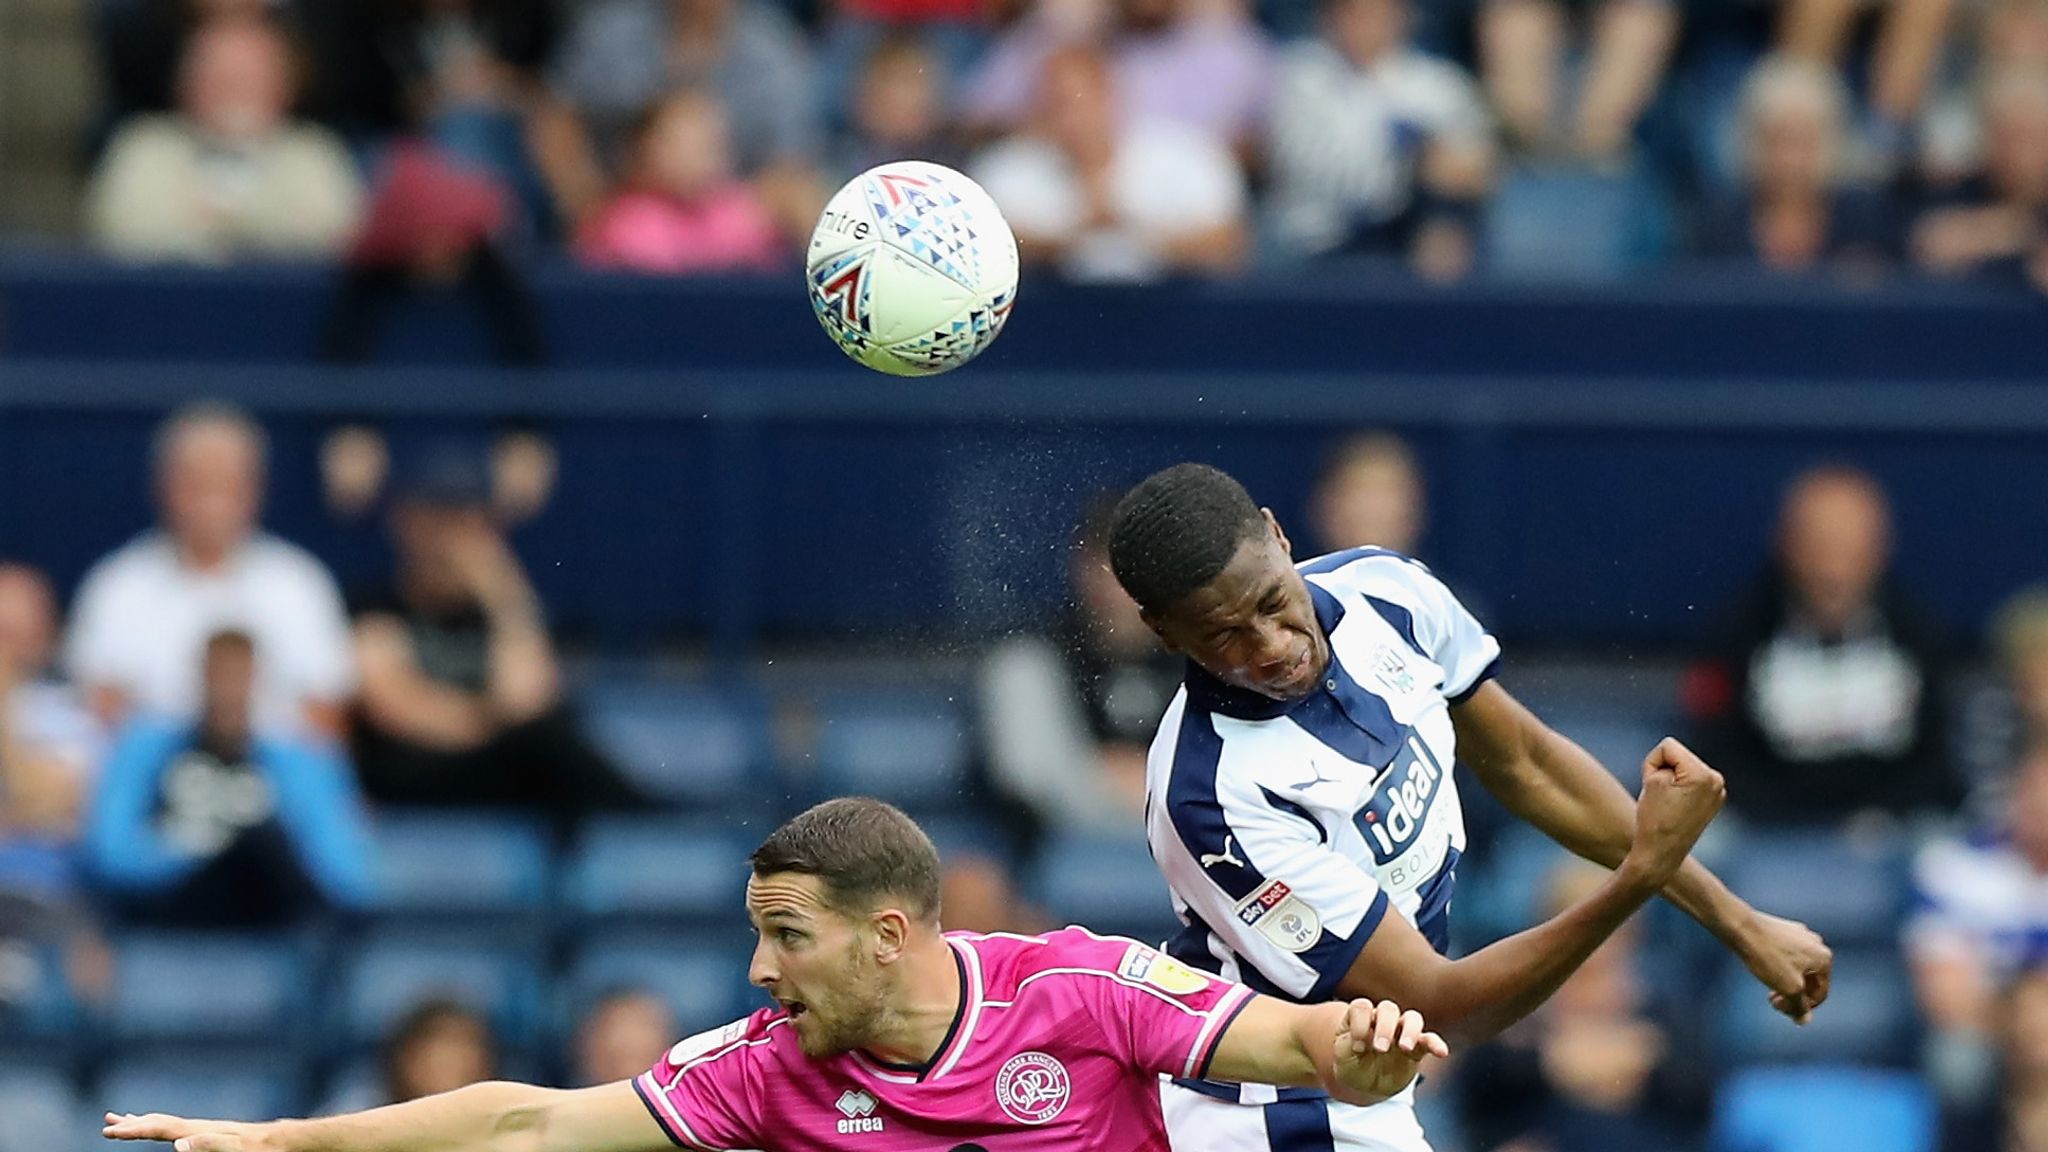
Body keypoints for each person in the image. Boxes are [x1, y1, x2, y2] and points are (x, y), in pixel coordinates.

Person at [1104, 462, 1831, 1150]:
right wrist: (1639, 876)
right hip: (1280, 1112)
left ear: (1279, 536)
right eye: (1224, 635)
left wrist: (1742, 924)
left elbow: (1528, 766)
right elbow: (1443, 1003)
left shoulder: (1385, 591)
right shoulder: (1209, 798)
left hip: (1368, 1091)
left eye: (1272, 603)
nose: (1269, 647)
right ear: (1165, 633)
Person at [106, 796, 1485, 1152]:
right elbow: (528, 1118)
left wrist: (1351, 1048)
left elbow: (1278, 1043)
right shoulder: (767, 1076)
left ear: (892, 934)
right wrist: (287, 1135)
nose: (761, 971)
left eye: (790, 938)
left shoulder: (1081, 988)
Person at [349, 449, 642, 827]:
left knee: (549, 744)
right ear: (405, 523)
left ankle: (653, 828)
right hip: (416, 775)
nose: (450, 536)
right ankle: (658, 821)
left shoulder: (502, 611)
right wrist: (496, 725)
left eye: (467, 520)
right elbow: (399, 709)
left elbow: (529, 698)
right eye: (437, 518)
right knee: (545, 743)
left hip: (502, 768)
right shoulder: (374, 606)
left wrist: (502, 591)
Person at [65, 402, 357, 739]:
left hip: (269, 778)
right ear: (163, 487)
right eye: (197, 484)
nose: (212, 502)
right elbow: (97, 709)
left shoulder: (299, 583)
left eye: (228, 484)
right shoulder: (118, 585)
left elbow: (327, 716)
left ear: (256, 489)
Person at [1686, 464, 1956, 826]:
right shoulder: (1735, 635)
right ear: (1787, 546)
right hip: (1762, 827)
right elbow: (1713, 751)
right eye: (1821, 547)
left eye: (1850, 550)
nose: (1834, 572)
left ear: (1880, 550)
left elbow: (1937, 755)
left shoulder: (1919, 633)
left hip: (1889, 828)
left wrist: (1877, 818)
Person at [84, 630, 376, 929]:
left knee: (264, 843)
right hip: (174, 905)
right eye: (219, 675)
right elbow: (110, 853)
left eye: (238, 677)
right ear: (200, 676)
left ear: (256, 679)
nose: (228, 690)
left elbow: (345, 873)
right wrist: (201, 849)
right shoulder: (147, 748)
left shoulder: (301, 761)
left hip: (270, 912)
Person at [980, 496, 1184, 836]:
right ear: (1081, 570)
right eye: (1103, 566)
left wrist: (1154, 783)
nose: (1116, 586)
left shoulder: (1206, 662)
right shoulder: (1032, 660)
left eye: (1136, 569)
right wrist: (1100, 780)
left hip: (1188, 851)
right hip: (1055, 848)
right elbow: (1028, 780)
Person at [87, 18, 365, 264]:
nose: (232, 93)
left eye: (247, 79)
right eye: (219, 78)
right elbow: (122, 235)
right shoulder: (144, 146)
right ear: (184, 85)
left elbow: (333, 239)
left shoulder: (315, 155)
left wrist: (223, 216)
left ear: (285, 87)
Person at [970, 43, 1250, 282]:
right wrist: (1072, 239)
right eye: (1054, 104)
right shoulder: (1006, 166)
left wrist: (1132, 234)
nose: (1070, 119)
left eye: (1079, 101)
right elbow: (981, 253)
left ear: (1111, 95)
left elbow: (1227, 242)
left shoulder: (1185, 153)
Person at [574, 90, 787, 275]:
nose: (699, 155)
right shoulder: (622, 225)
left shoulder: (746, 216)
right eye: (683, 143)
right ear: (644, 148)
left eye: (708, 142)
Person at [570, 988, 676, 1087]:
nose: (630, 1041)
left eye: (641, 1026)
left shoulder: (681, 1101)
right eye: (617, 1027)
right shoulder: (568, 1103)